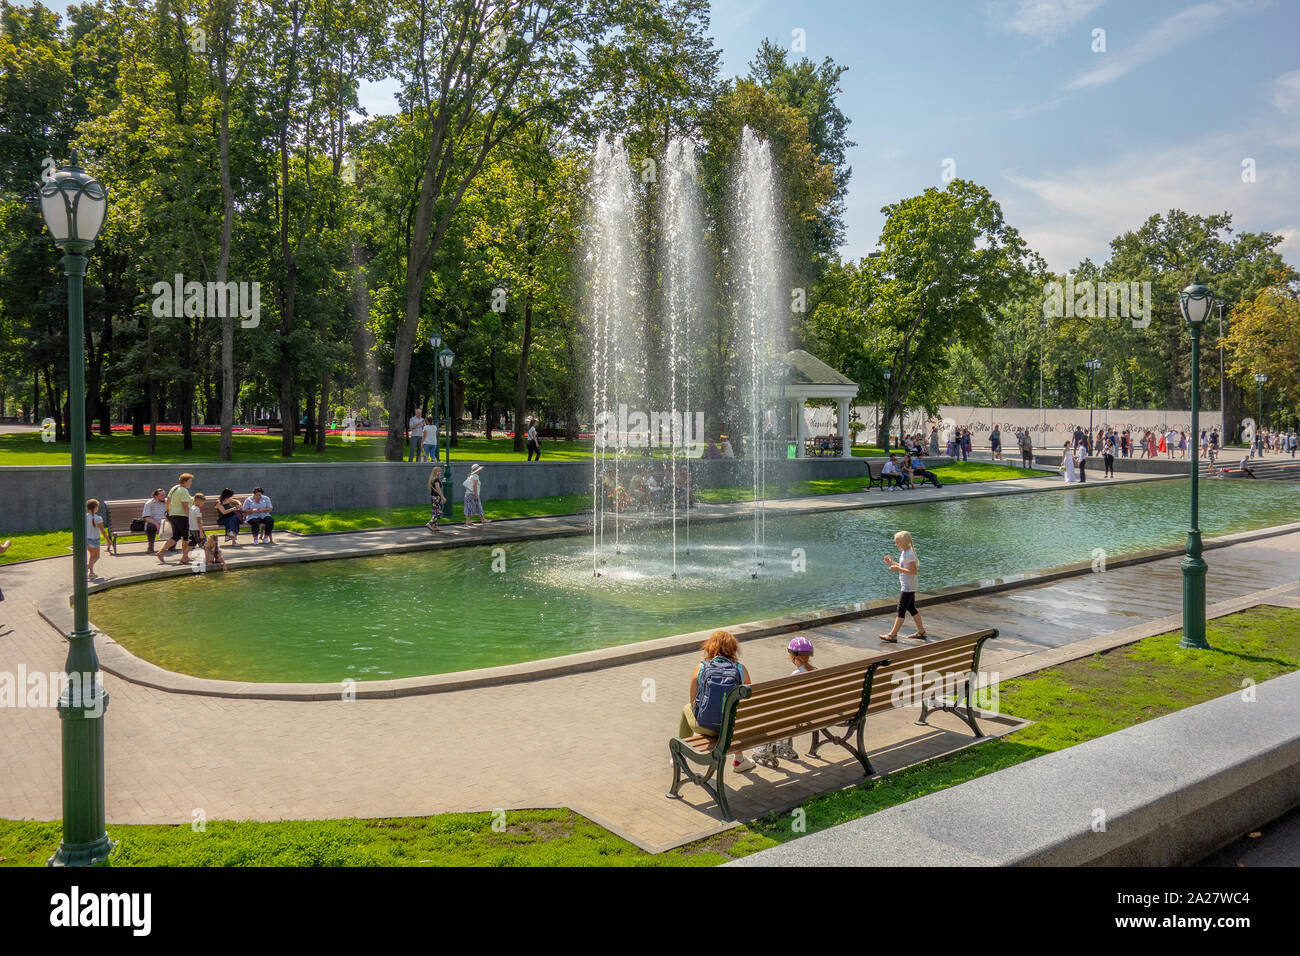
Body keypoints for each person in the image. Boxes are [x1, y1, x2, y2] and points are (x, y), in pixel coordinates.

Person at [678, 629, 755, 773]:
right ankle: (739, 760)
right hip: (733, 730)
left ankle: (681, 756)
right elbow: (747, 701)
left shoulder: (701, 668)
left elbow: (693, 703)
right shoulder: (740, 669)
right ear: (733, 649)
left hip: (706, 727)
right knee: (734, 712)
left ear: (710, 647)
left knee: (686, 708)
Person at [751, 636, 817, 767]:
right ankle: (784, 746)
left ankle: (765, 750)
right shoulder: (815, 671)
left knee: (772, 713)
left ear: (792, 656)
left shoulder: (796, 674)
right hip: (813, 714)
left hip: (796, 717)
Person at [880, 531, 927, 642]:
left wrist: (898, 569)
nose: (896, 544)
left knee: (901, 609)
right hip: (908, 586)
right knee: (911, 608)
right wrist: (892, 563)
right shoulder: (905, 552)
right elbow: (902, 566)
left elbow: (913, 571)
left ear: (905, 542)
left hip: (908, 587)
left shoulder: (909, 554)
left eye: (897, 542)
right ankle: (921, 632)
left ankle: (892, 635)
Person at [157, 472, 195, 564]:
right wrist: (189, 517)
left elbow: (168, 500)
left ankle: (161, 552)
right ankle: (184, 557)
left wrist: (169, 511)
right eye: (190, 481)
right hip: (182, 516)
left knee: (176, 536)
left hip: (173, 515)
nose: (191, 483)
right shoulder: (184, 491)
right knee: (186, 537)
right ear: (185, 481)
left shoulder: (174, 488)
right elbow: (185, 505)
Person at [141, 488, 168, 553]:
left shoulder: (167, 502)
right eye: (162, 495)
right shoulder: (149, 503)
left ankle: (171, 547)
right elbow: (146, 517)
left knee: (175, 525)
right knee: (151, 527)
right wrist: (156, 524)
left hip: (165, 522)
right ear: (156, 496)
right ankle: (150, 547)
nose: (164, 496)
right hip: (153, 522)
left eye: (164, 495)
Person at [85, 499, 104, 580]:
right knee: (97, 557)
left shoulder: (85, 516)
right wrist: (108, 540)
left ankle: (91, 573)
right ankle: (86, 568)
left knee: (92, 556)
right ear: (95, 508)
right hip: (94, 540)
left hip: (86, 539)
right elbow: (102, 530)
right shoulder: (98, 518)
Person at [426, 465, 446, 532]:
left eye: (440, 471)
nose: (440, 472)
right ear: (435, 472)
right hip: (436, 497)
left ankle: (435, 526)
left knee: (435, 511)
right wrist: (443, 497)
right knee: (439, 512)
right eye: (438, 471)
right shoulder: (436, 479)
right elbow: (438, 490)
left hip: (433, 497)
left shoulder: (432, 479)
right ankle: (430, 523)